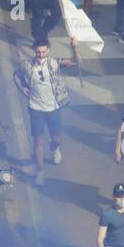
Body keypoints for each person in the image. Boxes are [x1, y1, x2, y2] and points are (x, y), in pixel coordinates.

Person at [12, 36, 79, 185]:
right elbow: (16, 75)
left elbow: (76, 61)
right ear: (34, 52)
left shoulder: (54, 63)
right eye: (38, 52)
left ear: (48, 50)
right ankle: (40, 172)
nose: (41, 55)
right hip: (35, 107)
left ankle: (54, 148)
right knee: (38, 141)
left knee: (57, 138)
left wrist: (74, 46)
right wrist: (22, 87)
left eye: (43, 52)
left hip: (53, 108)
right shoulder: (27, 65)